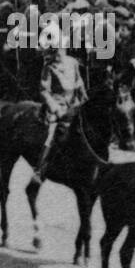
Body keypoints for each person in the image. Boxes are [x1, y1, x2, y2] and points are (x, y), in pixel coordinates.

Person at [32, 39, 87, 183]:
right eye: (55, 50)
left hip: (73, 104)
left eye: (60, 49)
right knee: (51, 133)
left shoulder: (72, 62)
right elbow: (44, 91)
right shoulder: (49, 67)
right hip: (58, 105)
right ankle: (39, 169)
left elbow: (78, 82)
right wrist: (55, 109)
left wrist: (84, 97)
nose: (58, 53)